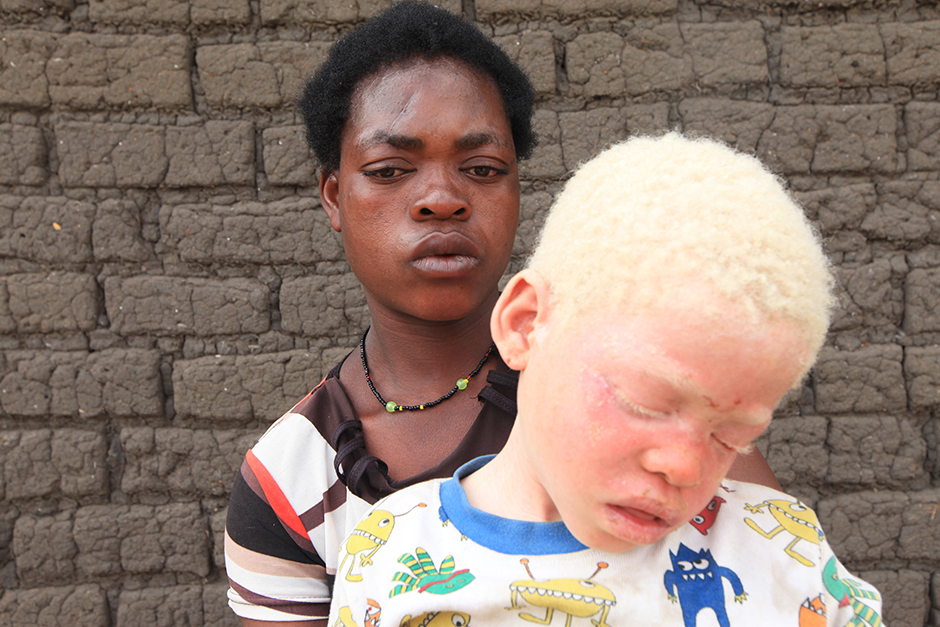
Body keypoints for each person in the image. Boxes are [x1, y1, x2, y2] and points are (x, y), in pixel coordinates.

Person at [224, 3, 781, 624]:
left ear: (517, 187)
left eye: (483, 169)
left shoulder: (628, 387)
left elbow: (779, 576)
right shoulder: (289, 480)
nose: (441, 200)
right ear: (334, 195)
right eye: (390, 171)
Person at [327, 133, 883, 627]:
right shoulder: (391, 553)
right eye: (645, 402)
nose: (685, 467)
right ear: (525, 325)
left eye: (731, 436)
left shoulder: (786, 555)